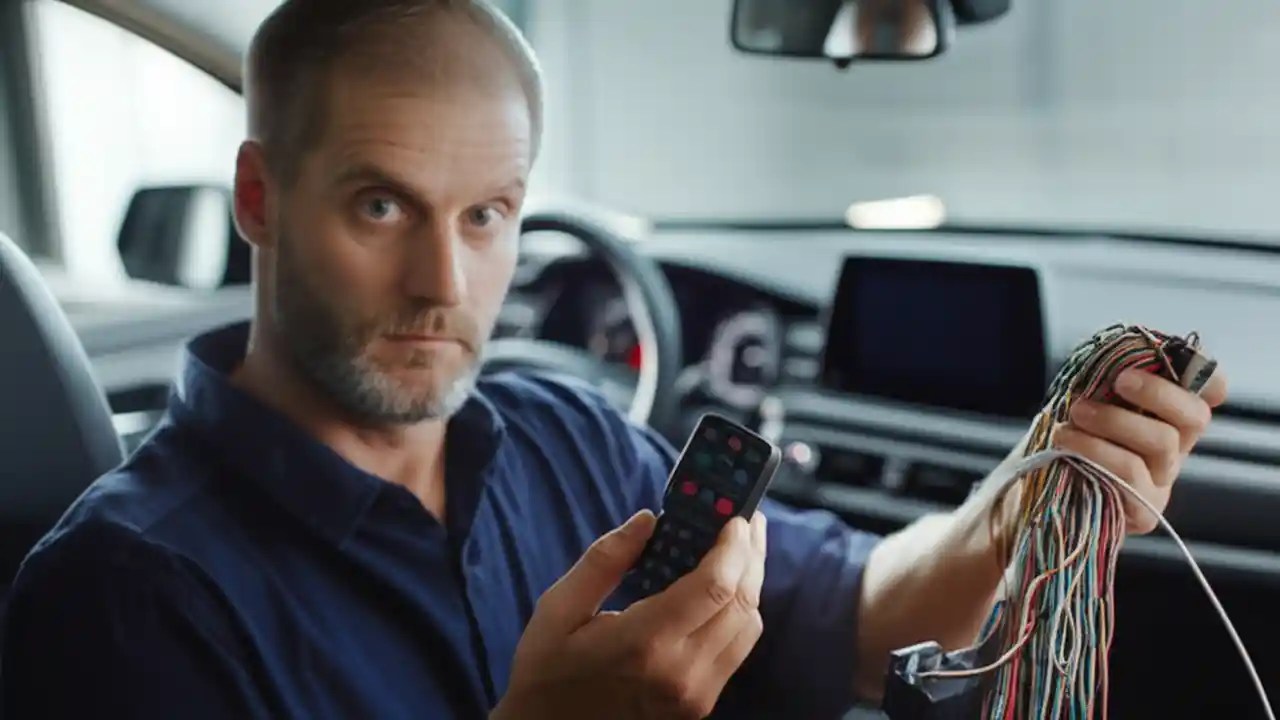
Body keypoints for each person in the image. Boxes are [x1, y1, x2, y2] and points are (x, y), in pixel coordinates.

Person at [0, 1, 1227, 718]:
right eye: (381, 208)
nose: (444, 284)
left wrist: (1025, 495)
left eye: (485, 215)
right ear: (259, 200)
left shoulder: (561, 434)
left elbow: (858, 612)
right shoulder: (120, 597)